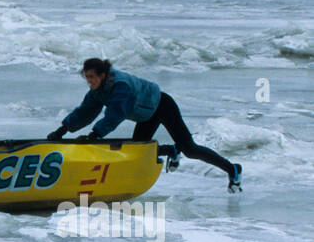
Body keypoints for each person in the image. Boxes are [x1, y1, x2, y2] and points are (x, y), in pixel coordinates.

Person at [48, 58, 242, 192]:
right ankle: (171, 151)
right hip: (145, 115)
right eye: (86, 77)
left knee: (190, 149)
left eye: (92, 77)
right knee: (139, 150)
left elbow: (116, 114)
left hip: (162, 105)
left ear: (103, 75)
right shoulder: (97, 90)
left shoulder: (120, 86)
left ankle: (233, 170)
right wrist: (61, 130)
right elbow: (85, 112)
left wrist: (94, 136)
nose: (89, 81)